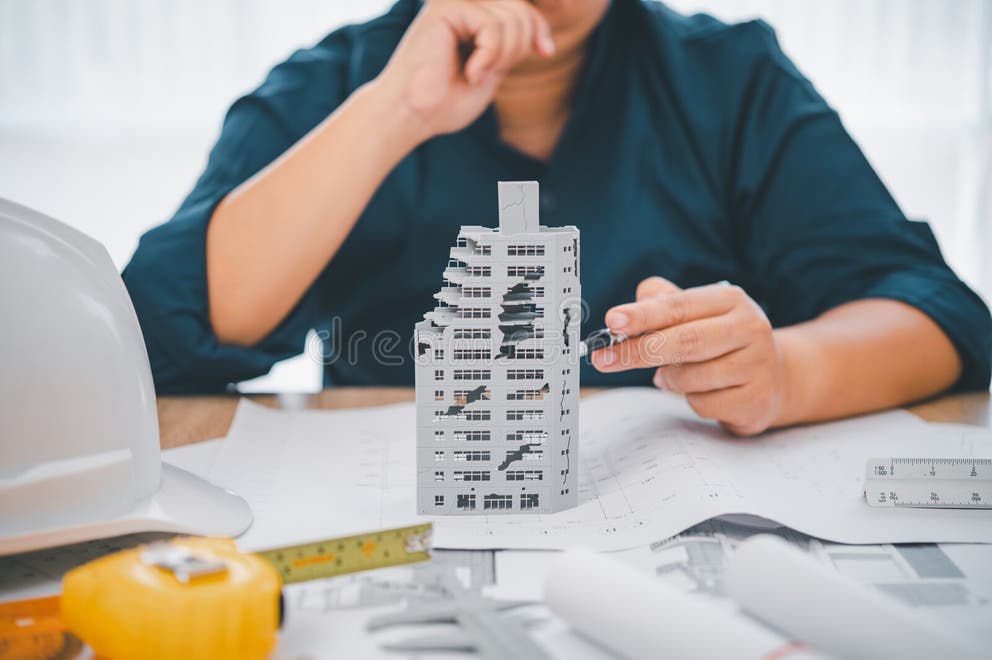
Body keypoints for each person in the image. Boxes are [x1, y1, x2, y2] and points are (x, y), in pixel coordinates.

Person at [123, 0, 991, 435]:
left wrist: (784, 375)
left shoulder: (729, 79)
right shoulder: (334, 87)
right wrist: (396, 111)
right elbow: (156, 334)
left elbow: (939, 314)